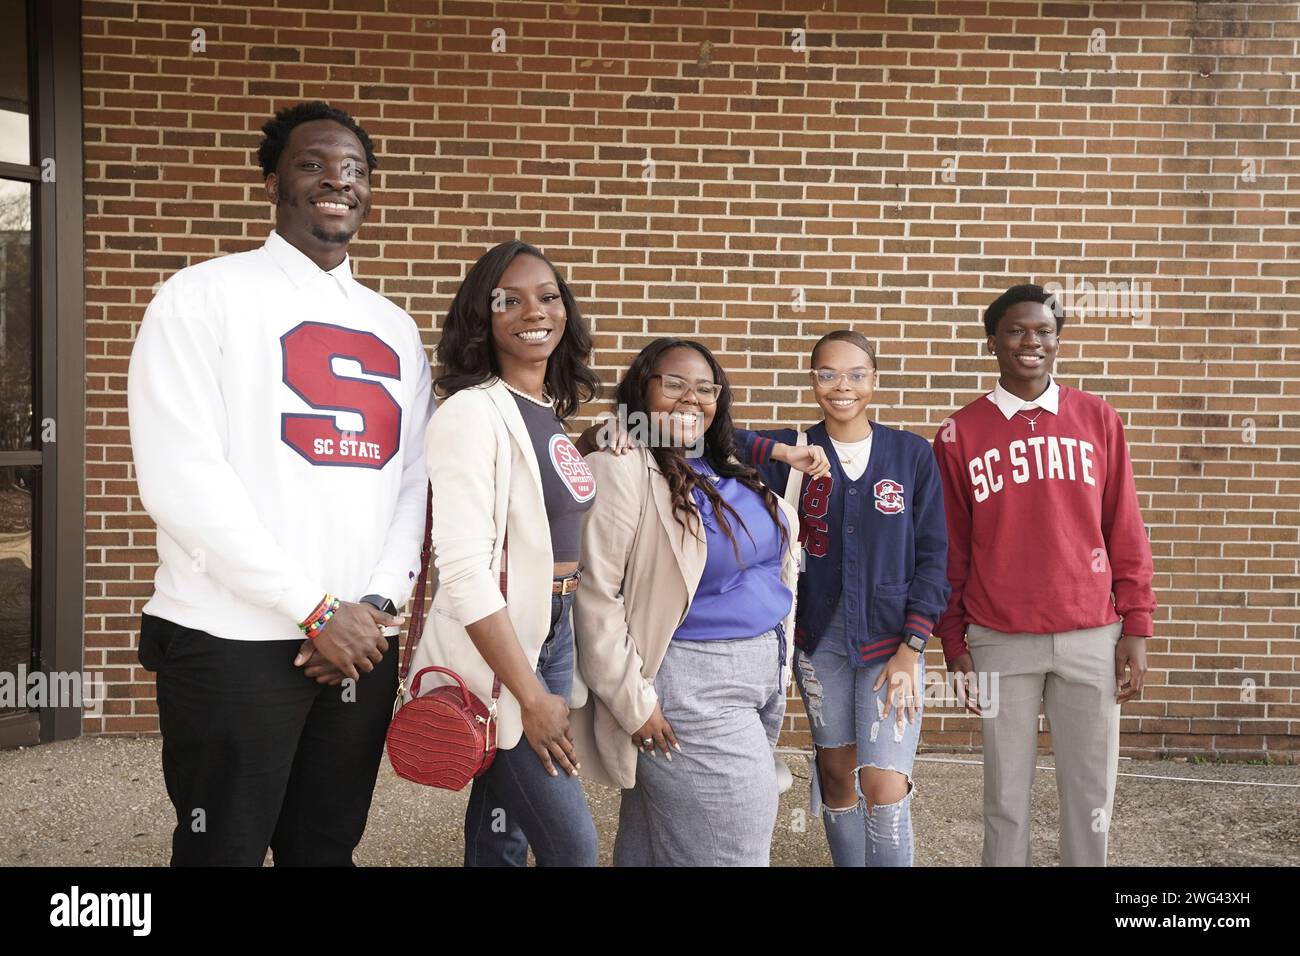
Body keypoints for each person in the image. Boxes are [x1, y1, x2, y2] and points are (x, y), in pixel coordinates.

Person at [128, 101, 433, 865]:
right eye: (313, 163)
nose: (337, 181)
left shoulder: (395, 328)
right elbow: (182, 479)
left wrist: (372, 606)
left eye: (355, 170)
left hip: (359, 644)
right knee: (218, 850)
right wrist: (312, 608)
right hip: (232, 640)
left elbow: (414, 484)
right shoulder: (199, 297)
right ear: (272, 181)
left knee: (325, 848)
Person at [932, 283, 1155, 867]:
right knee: (1005, 797)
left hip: (1091, 633)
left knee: (1090, 793)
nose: (1031, 342)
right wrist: (953, 641)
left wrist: (1137, 624)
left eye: (1043, 331)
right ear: (992, 342)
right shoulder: (959, 433)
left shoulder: (1097, 417)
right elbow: (948, 547)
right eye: (1016, 330)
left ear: (1058, 341)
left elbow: (1124, 526)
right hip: (999, 637)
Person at [405, 240, 601, 867]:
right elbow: (462, 572)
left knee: (503, 829)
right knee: (572, 845)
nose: (532, 311)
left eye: (547, 297)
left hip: (557, 629)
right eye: (508, 300)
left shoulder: (547, 412)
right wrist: (531, 694)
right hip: (510, 642)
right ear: (481, 316)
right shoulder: (469, 413)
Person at [571, 338, 801, 866]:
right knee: (733, 853)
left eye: (704, 388)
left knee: (655, 847)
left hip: (763, 671)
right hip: (691, 687)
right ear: (641, 391)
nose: (690, 398)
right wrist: (635, 701)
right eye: (673, 384)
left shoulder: (726, 462)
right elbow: (595, 595)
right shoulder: (624, 466)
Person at [733, 330, 950, 866]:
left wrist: (913, 647)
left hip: (891, 648)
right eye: (827, 374)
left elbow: (934, 556)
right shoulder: (792, 453)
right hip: (818, 643)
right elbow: (712, 438)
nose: (842, 386)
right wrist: (784, 450)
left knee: (884, 784)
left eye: (856, 374)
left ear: (875, 381)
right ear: (812, 382)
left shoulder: (911, 454)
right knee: (836, 773)